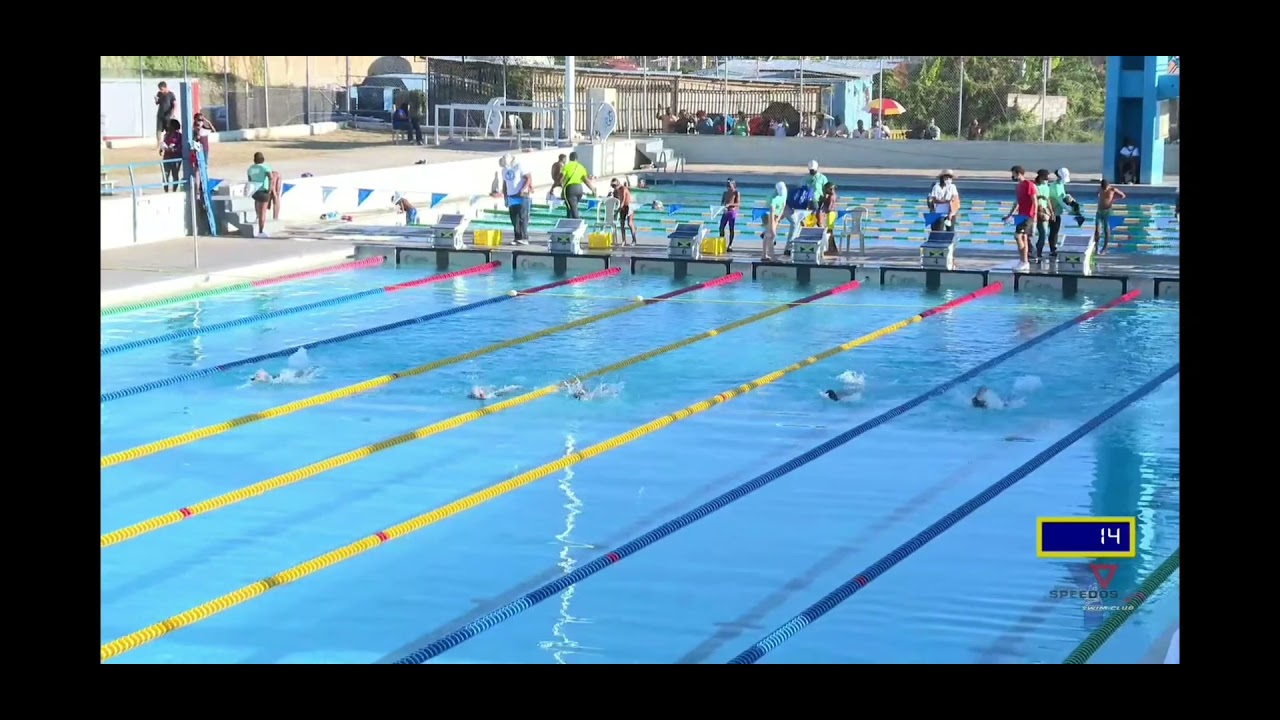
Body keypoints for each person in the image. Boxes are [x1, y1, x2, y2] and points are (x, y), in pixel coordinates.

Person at [1001, 165, 1036, 269]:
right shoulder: (1019, 186)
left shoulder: (1029, 185)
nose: (1012, 176)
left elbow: (1034, 200)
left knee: (1018, 236)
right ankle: (1023, 261)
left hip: (1028, 215)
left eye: (1013, 174)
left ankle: (1024, 261)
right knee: (1023, 237)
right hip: (1020, 215)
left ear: (1018, 173)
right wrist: (1009, 215)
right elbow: (1017, 202)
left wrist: (1035, 216)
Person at [501, 154, 533, 245]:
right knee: (514, 217)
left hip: (521, 195)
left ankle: (524, 237)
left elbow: (528, 178)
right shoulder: (504, 170)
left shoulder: (519, 166)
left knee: (523, 216)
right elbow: (504, 184)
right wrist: (505, 197)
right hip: (511, 196)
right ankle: (517, 237)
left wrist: (523, 189)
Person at [559, 152, 595, 219]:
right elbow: (586, 180)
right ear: (577, 159)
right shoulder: (581, 167)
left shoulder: (566, 166)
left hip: (570, 189)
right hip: (579, 189)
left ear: (570, 158)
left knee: (573, 208)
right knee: (571, 207)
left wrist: (561, 185)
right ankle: (569, 221)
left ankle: (577, 222)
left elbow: (561, 179)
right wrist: (592, 189)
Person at [1095, 179, 1127, 255]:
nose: (1104, 190)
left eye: (1105, 188)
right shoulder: (1100, 189)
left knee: (1106, 230)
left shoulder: (1112, 189)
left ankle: (1104, 248)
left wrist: (1113, 200)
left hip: (1107, 212)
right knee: (1097, 230)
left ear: (1108, 186)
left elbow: (1123, 196)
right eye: (1103, 189)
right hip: (1099, 211)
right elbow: (1098, 194)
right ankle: (1096, 247)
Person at [246, 152, 273, 237]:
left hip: (254, 191)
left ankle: (257, 223)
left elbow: (249, 179)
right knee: (263, 213)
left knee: (258, 210)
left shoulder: (250, 168)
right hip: (263, 191)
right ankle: (261, 231)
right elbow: (271, 177)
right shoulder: (265, 167)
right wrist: (270, 188)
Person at [1033, 169, 1056, 261]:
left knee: (1044, 233)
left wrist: (1052, 212)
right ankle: (1038, 252)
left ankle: (1039, 251)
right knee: (1042, 232)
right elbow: (1033, 198)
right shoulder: (1035, 187)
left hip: (1045, 212)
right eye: (1045, 178)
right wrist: (1039, 197)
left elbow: (1048, 200)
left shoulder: (1047, 186)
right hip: (1037, 211)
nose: (1046, 180)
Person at [762, 182, 787, 260]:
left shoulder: (784, 194)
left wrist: (778, 218)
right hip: (768, 215)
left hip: (775, 216)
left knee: (767, 235)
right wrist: (773, 228)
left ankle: (764, 255)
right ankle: (772, 256)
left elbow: (783, 207)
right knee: (771, 235)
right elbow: (771, 214)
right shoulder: (773, 198)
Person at [611, 178, 637, 246]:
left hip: (629, 206)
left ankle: (634, 240)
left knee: (630, 223)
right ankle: (623, 240)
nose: (613, 187)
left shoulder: (623, 189)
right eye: (612, 186)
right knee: (622, 223)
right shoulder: (615, 192)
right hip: (622, 207)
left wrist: (616, 213)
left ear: (618, 184)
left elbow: (622, 203)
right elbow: (616, 202)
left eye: (614, 186)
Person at [159, 119, 183, 193]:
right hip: (167, 157)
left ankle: (174, 190)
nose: (168, 126)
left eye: (170, 125)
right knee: (165, 174)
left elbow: (180, 146)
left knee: (175, 174)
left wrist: (174, 149)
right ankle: (166, 191)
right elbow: (164, 143)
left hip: (175, 158)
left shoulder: (179, 136)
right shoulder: (167, 135)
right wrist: (162, 149)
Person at [818, 182, 840, 254]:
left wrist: (823, 201)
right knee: (830, 232)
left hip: (830, 214)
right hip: (833, 214)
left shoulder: (830, 196)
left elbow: (829, 207)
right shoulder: (834, 195)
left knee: (829, 232)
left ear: (829, 189)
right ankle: (833, 248)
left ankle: (831, 248)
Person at [719, 179, 741, 249]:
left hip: (732, 212)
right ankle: (722, 242)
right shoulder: (725, 193)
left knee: (731, 228)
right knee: (721, 227)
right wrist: (723, 207)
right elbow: (722, 203)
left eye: (730, 185)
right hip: (726, 212)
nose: (728, 187)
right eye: (727, 186)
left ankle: (730, 245)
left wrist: (730, 205)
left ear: (733, 185)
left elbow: (738, 204)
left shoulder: (736, 193)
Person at [154, 81, 177, 147]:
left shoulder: (171, 94)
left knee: (169, 130)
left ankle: (169, 142)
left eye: (162, 89)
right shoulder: (159, 94)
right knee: (158, 130)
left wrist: (173, 113)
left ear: (165, 87)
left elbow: (175, 104)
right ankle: (158, 144)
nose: (161, 91)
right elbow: (157, 103)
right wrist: (156, 100)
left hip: (168, 116)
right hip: (160, 114)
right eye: (160, 89)